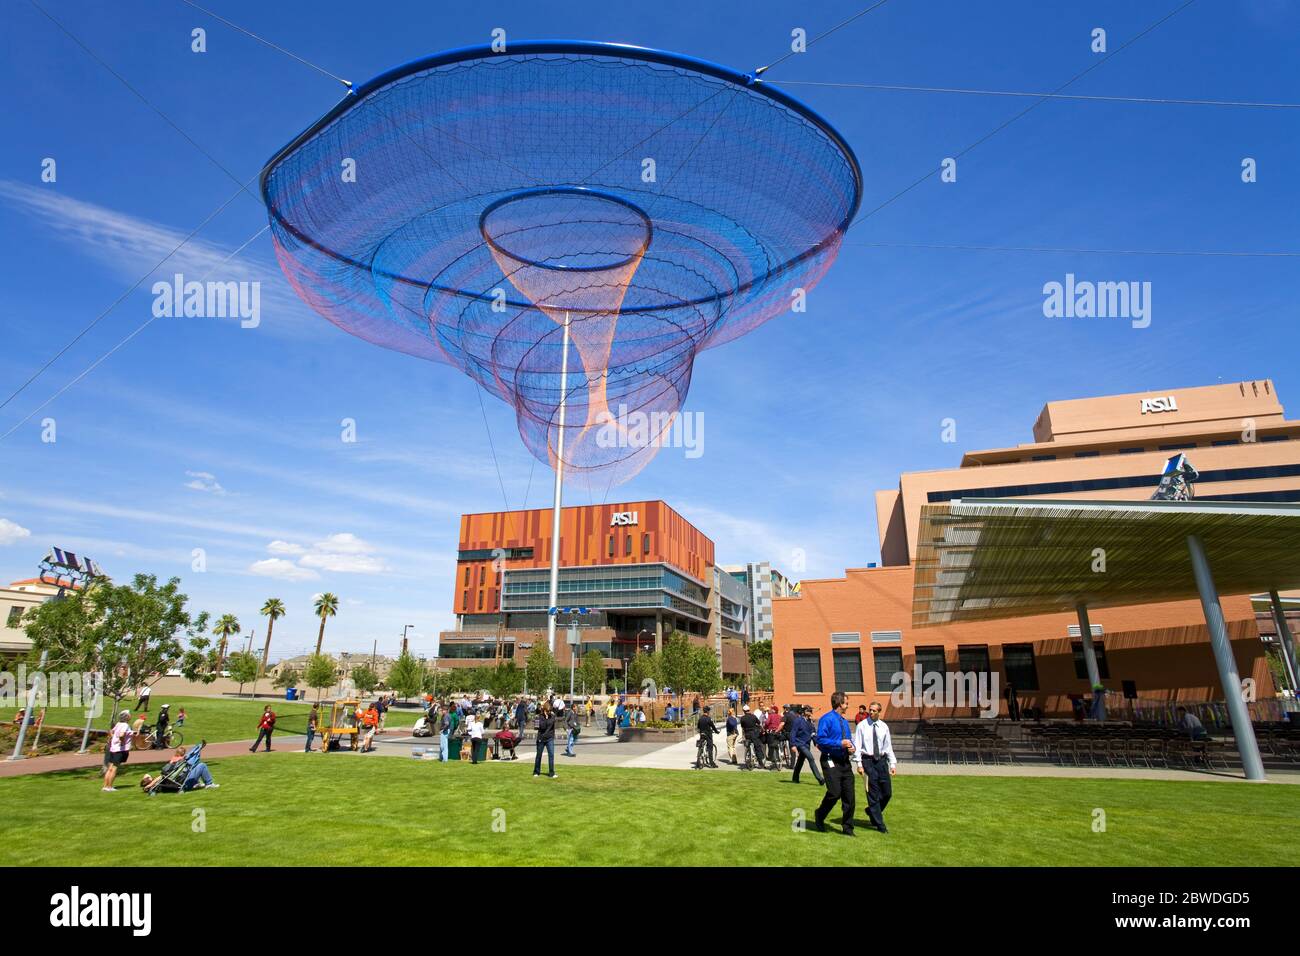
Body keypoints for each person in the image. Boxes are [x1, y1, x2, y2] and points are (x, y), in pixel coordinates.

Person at [813, 692, 857, 836]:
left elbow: (849, 740)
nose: (847, 706)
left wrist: (852, 748)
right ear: (840, 704)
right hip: (830, 760)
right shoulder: (827, 719)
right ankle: (820, 815)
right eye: (846, 703)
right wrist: (839, 743)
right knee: (834, 793)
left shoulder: (844, 721)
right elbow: (820, 740)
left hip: (845, 762)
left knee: (849, 797)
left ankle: (848, 828)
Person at [851, 701, 896, 833]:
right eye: (870, 710)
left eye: (874, 710)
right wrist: (859, 764)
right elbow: (858, 746)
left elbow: (888, 747)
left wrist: (892, 764)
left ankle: (871, 811)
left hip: (881, 762)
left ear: (879, 712)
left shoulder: (883, 727)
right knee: (873, 794)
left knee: (887, 793)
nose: (871, 712)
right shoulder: (862, 726)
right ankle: (880, 824)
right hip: (868, 761)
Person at [140, 747, 219, 793]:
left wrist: (149, 784)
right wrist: (149, 785)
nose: (148, 777)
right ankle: (209, 784)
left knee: (194, 767)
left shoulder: (172, 761)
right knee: (202, 765)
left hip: (175, 781)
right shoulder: (182, 760)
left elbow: (160, 776)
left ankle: (197, 783)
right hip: (182, 784)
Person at [790, 705, 824, 785]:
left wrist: (816, 743)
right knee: (811, 758)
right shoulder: (798, 720)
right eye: (809, 711)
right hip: (800, 744)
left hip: (807, 744)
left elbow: (813, 733)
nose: (811, 713)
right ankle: (820, 779)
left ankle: (795, 778)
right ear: (805, 712)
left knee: (800, 761)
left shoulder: (810, 722)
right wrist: (793, 745)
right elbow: (793, 732)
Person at [102, 710, 134, 792]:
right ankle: (109, 787)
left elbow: (111, 731)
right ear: (127, 717)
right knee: (114, 768)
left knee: (110, 768)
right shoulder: (125, 725)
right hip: (120, 750)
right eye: (129, 715)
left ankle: (105, 786)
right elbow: (121, 735)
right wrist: (122, 742)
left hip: (113, 748)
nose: (130, 716)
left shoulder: (118, 724)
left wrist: (113, 738)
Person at [533, 700, 557, 778]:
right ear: (544, 710)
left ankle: (551, 773)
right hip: (541, 739)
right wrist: (545, 718)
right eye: (547, 711)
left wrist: (548, 717)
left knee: (551, 755)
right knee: (539, 755)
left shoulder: (552, 716)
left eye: (550, 711)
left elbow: (551, 725)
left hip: (550, 738)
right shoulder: (538, 717)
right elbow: (539, 727)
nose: (549, 712)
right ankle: (536, 771)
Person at [738, 704, 764, 769]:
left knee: (747, 746)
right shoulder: (753, 716)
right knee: (757, 747)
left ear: (744, 711)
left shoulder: (742, 718)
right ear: (749, 710)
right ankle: (761, 763)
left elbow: (743, 728)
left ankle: (749, 757)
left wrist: (743, 736)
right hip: (754, 734)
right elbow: (759, 723)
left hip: (747, 734)